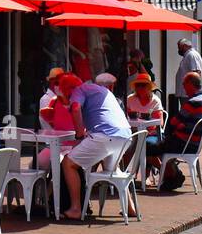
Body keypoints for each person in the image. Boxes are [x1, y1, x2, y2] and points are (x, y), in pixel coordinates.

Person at [58, 73, 132, 220]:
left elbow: (76, 108)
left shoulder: (79, 90)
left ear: (68, 89)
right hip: (126, 136)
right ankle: (130, 208)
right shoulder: (100, 90)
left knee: (68, 163)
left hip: (105, 136)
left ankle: (76, 209)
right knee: (113, 170)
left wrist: (79, 134)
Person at [151, 72, 202, 189]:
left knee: (150, 148)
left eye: (184, 83)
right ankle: (172, 174)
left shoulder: (193, 102)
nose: (183, 86)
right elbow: (186, 122)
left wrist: (180, 125)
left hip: (185, 144)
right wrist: (182, 125)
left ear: (191, 84)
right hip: (195, 143)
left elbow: (174, 122)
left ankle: (174, 176)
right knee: (160, 145)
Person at [125, 71, 165, 184]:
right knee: (124, 145)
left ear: (149, 87)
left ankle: (164, 171)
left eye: (143, 85)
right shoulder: (130, 99)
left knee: (147, 145)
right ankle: (124, 175)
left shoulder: (155, 101)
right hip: (133, 131)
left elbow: (160, 122)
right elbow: (125, 117)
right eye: (138, 85)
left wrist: (147, 126)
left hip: (151, 132)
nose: (140, 88)